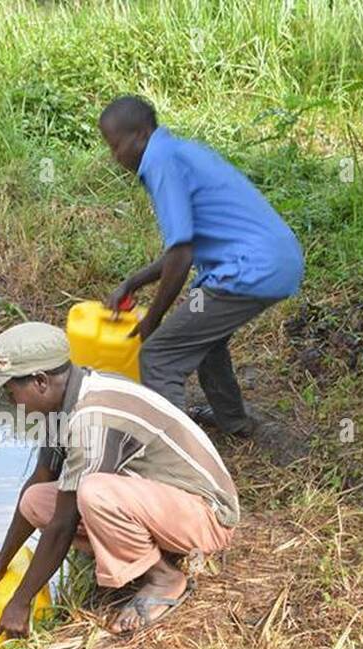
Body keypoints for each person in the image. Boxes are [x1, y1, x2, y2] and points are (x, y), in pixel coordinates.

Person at [0, 322, 239, 637]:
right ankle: (135, 557)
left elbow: (64, 523)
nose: (11, 402)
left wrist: (20, 602)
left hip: (207, 514)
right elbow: (42, 478)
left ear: (40, 381)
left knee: (93, 492)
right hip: (160, 501)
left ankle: (163, 577)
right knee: (35, 500)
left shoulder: (92, 418)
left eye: (11, 392)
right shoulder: (66, 402)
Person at [98, 95, 304, 436]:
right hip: (269, 261)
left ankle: (174, 455)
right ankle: (235, 422)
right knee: (205, 338)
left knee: (158, 356)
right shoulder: (176, 151)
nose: (114, 157)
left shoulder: (160, 161)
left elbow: (181, 256)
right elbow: (183, 246)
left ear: (142, 135)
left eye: (115, 145)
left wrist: (153, 319)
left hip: (251, 269)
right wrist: (134, 282)